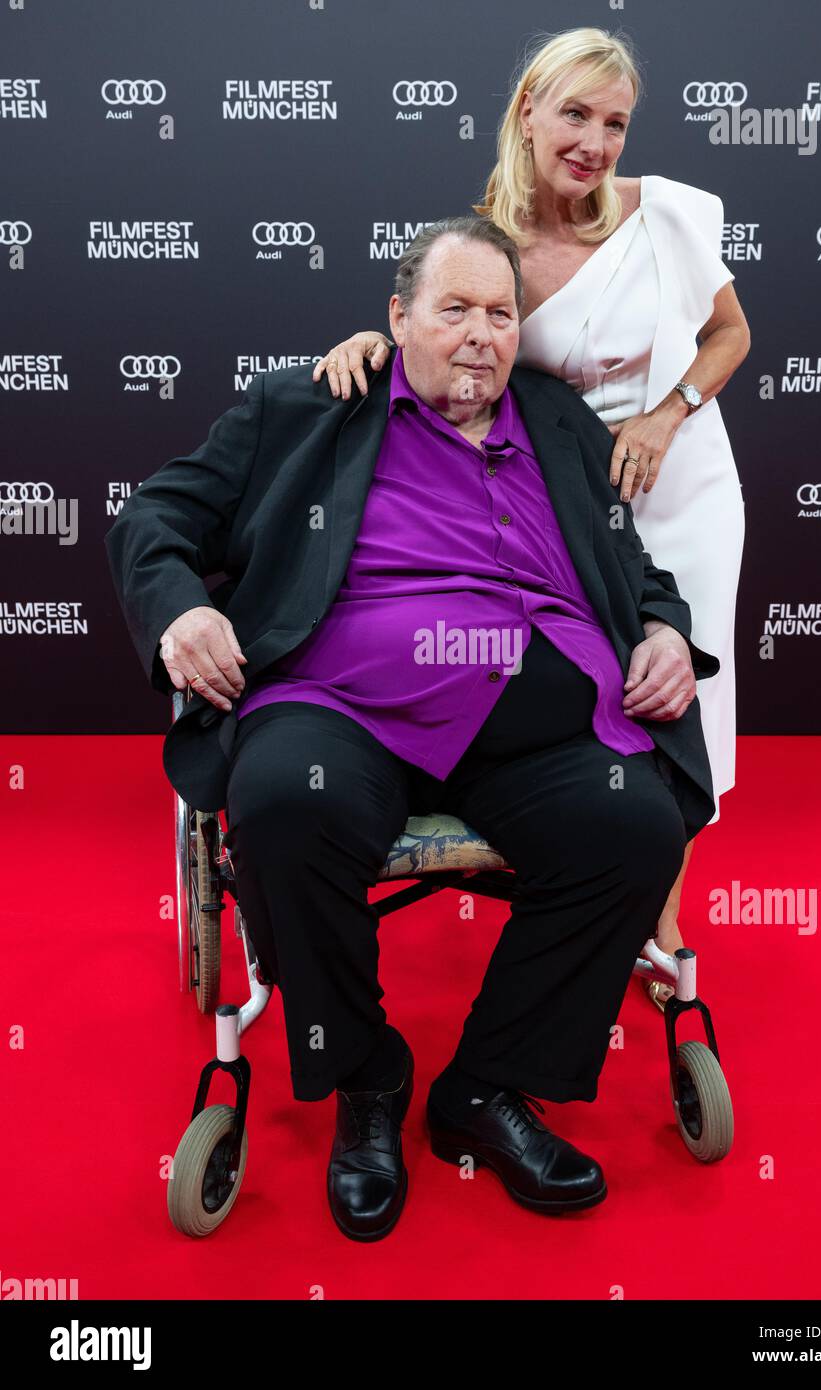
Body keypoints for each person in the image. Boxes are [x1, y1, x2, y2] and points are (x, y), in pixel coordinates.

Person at [105, 215, 720, 1242]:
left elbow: (630, 568)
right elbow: (151, 520)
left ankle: (485, 1086)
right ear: (397, 319)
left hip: (535, 715)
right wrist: (182, 610)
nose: (482, 335)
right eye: (456, 310)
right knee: (279, 806)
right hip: (340, 700)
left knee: (634, 829)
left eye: (501, 314)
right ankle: (368, 1074)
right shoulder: (307, 405)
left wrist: (659, 626)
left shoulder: (555, 422)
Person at [312, 26, 750, 1010]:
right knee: (597, 696)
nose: (595, 142)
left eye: (615, 123)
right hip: (563, 503)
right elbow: (443, 333)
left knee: (685, 695)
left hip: (680, 484)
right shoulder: (493, 247)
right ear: (528, 112)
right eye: (576, 114)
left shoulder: (667, 215)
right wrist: (363, 339)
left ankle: (662, 928)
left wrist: (668, 411)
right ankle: (591, 875)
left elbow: (731, 332)